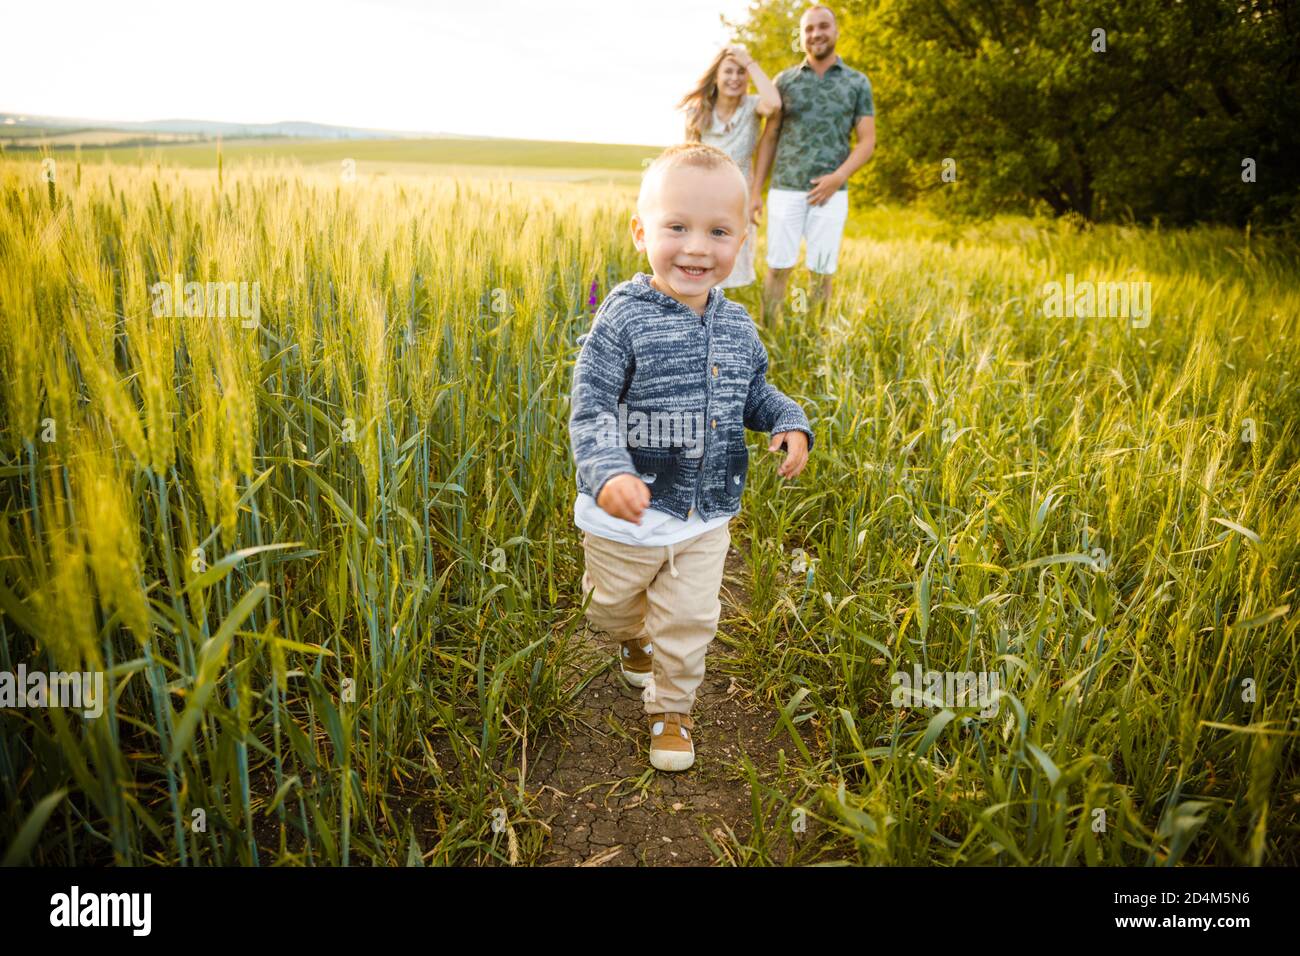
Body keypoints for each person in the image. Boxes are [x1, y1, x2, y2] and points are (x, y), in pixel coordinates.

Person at [568, 143, 814, 772]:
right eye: (677, 227)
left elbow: (753, 391)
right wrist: (608, 473)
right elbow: (592, 404)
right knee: (608, 609)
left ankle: (672, 708)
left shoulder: (738, 327)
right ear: (640, 231)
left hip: (706, 516)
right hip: (626, 512)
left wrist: (788, 422)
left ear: (742, 240)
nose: (698, 248)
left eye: (718, 231)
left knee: (691, 619)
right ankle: (630, 640)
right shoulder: (622, 319)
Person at [752, 4, 876, 326]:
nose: (816, 34)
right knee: (778, 267)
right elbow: (769, 138)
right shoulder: (785, 81)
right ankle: (768, 336)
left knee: (822, 271)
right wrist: (756, 192)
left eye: (822, 27)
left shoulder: (857, 83)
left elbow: (866, 142)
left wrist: (838, 177)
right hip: (786, 187)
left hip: (832, 192)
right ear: (802, 36)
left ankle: (816, 339)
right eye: (808, 29)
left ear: (835, 32)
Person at [678, 44, 782, 290]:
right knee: (701, 260)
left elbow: (775, 103)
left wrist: (750, 62)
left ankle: (723, 320)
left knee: (728, 265)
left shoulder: (752, 107)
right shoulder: (698, 111)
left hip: (738, 198)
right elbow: (687, 157)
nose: (734, 78)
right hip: (702, 197)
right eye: (728, 72)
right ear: (716, 75)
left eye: (740, 72)